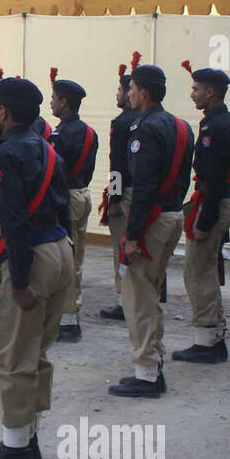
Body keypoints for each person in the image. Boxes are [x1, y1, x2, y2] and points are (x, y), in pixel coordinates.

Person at [0, 75, 73, 459]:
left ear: (4, 112)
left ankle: (15, 450)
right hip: (60, 250)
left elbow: (13, 221)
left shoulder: (3, 155)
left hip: (28, 256)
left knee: (11, 358)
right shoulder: (48, 149)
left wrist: (22, 280)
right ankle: (29, 438)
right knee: (36, 352)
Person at [108, 64, 194, 398]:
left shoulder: (139, 129)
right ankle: (151, 362)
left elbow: (135, 181)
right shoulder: (182, 126)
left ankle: (146, 372)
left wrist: (130, 231)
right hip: (173, 213)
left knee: (139, 296)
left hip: (150, 217)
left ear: (143, 92)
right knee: (151, 291)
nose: (125, 94)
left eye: (129, 89)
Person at [173, 63, 230, 364]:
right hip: (214, 201)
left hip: (211, 203)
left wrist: (204, 220)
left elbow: (213, 179)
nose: (192, 94)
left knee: (199, 274)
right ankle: (213, 334)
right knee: (206, 272)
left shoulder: (217, 126)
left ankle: (207, 341)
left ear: (210, 92)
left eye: (196, 89)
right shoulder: (223, 121)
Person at [49, 68, 98, 342]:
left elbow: (55, 173)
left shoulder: (61, 135)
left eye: (54, 98)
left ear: (64, 102)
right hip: (83, 193)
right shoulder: (89, 132)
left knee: (64, 261)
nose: (51, 103)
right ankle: (71, 314)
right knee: (77, 258)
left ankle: (66, 320)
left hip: (66, 198)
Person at [100, 57, 140, 320]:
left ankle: (125, 301)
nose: (116, 94)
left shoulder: (123, 122)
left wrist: (114, 197)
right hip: (144, 193)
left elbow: (117, 164)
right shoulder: (147, 119)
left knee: (122, 247)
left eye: (119, 90)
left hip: (126, 192)